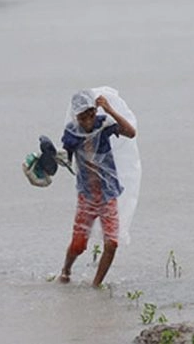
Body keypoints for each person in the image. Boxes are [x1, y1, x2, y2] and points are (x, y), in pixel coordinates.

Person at [58, 89, 137, 287]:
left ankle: (96, 285)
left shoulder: (103, 125)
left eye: (91, 114)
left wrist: (109, 110)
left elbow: (130, 132)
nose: (88, 121)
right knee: (78, 244)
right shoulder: (71, 133)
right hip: (87, 196)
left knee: (111, 243)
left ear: (95, 111)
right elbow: (64, 159)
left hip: (107, 194)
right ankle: (66, 271)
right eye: (83, 117)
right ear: (77, 116)